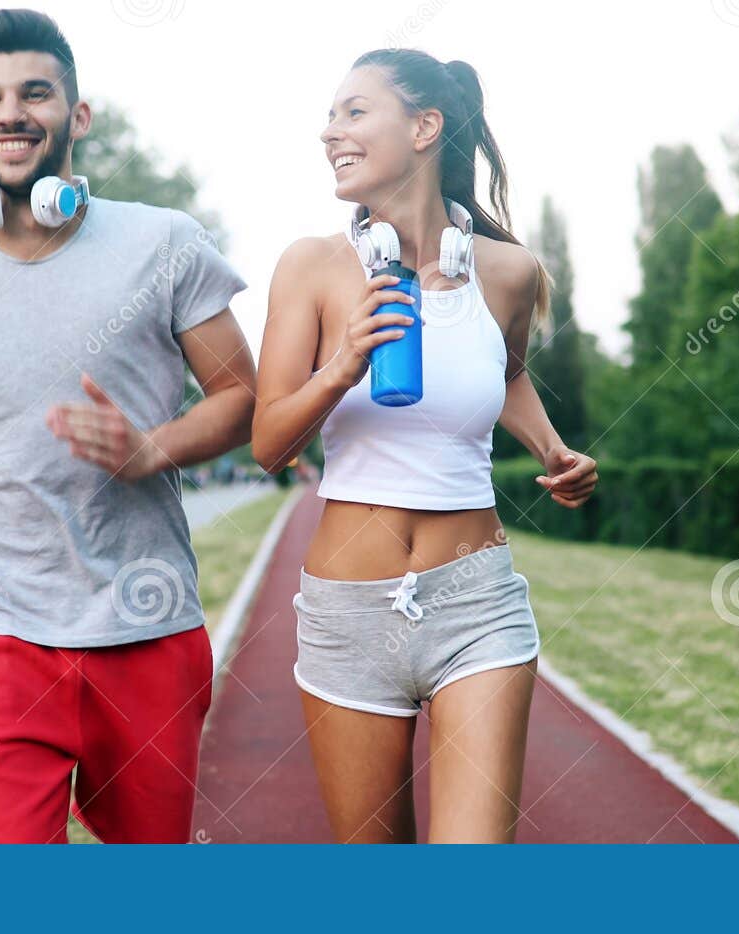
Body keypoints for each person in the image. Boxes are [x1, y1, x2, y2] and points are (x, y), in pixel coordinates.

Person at [0, 9, 256, 844]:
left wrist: (152, 447)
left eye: (35, 93)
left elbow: (243, 397)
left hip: (145, 626)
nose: (11, 111)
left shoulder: (165, 243)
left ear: (77, 117)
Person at [251, 49, 599, 843]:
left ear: (424, 127)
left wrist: (554, 449)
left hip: (476, 603)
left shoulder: (508, 273)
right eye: (330, 115)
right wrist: (342, 365)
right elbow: (269, 442)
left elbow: (505, 373)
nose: (328, 131)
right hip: (348, 615)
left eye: (352, 112)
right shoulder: (310, 267)